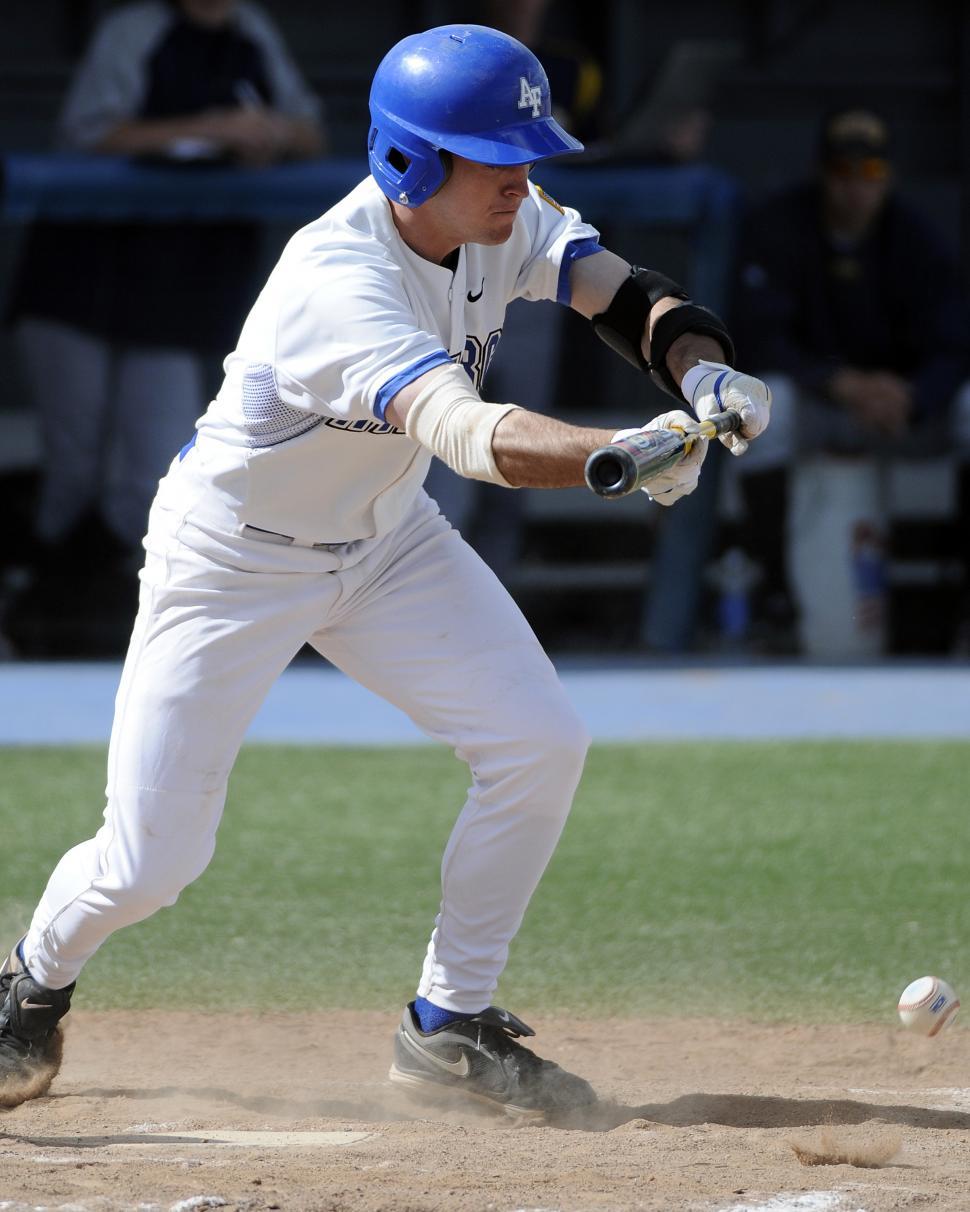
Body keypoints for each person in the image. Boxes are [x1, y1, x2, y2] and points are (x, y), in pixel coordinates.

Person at [0, 24, 770, 1123]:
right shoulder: (333, 280)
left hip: (384, 536)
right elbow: (468, 436)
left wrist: (705, 376)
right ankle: (30, 982)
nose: (521, 174)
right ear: (412, 160)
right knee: (152, 861)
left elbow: (626, 297)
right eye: (493, 152)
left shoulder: (503, 217)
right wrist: (622, 456)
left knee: (538, 743)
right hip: (232, 562)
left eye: (523, 148)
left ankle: (447, 1030)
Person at [4, 0, 324, 650]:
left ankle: (81, 613)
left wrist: (264, 135)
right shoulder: (136, 29)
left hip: (179, 288)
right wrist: (212, 128)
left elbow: (310, 133)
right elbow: (86, 133)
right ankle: (31, 611)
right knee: (74, 470)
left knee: (148, 477)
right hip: (80, 277)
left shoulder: (251, 32)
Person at [731, 107, 970, 658]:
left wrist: (914, 395)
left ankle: (961, 610)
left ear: (887, 178)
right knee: (765, 410)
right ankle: (778, 599)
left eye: (870, 175)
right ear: (823, 173)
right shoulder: (782, 226)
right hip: (825, 402)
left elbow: (954, 343)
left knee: (969, 407)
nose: (856, 189)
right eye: (844, 172)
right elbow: (757, 336)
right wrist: (839, 382)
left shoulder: (915, 236)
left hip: (901, 410)